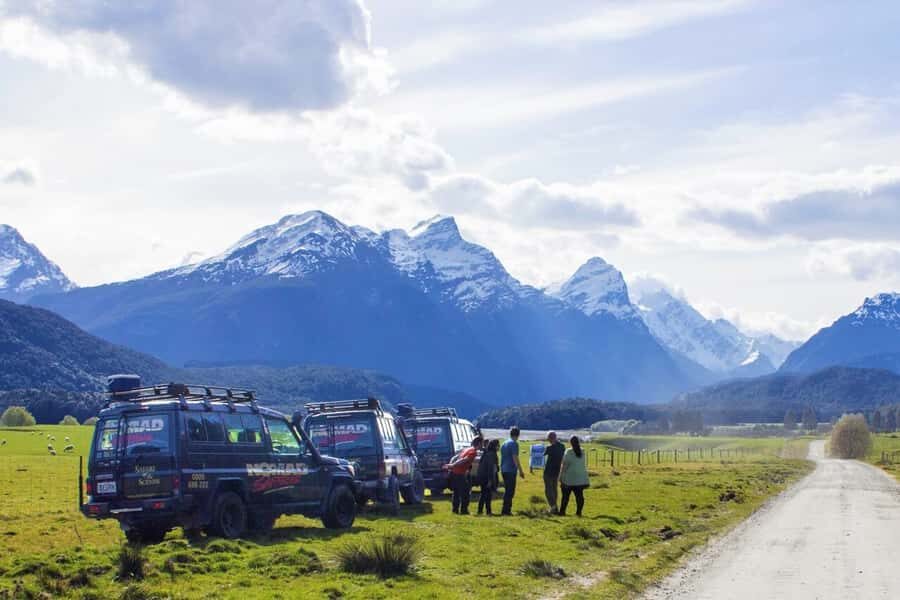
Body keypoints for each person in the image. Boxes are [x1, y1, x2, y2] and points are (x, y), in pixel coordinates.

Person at [443, 436, 482, 514]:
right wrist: (453, 465)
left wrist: (451, 465)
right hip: (459, 473)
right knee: (465, 492)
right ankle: (464, 510)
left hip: (454, 473)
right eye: (482, 443)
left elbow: (456, 457)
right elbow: (463, 460)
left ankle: (455, 510)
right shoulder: (473, 452)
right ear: (479, 443)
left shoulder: (467, 449)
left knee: (456, 492)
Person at [559, 435, 590, 517]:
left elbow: (565, 465)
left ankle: (562, 512)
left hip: (569, 478)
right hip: (580, 479)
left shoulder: (568, 452)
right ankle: (578, 512)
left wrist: (561, 476)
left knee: (565, 496)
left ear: (570, 443)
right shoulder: (583, 451)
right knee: (579, 496)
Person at [500, 427, 525, 516]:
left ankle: (505, 509)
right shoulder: (514, 444)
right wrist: (521, 471)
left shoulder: (504, 443)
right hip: (510, 470)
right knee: (510, 491)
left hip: (503, 469)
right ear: (518, 435)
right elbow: (515, 458)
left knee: (507, 490)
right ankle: (506, 510)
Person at [543, 431, 565, 514]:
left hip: (548, 471)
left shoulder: (549, 448)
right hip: (557, 471)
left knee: (548, 491)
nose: (548, 440)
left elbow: (543, 454)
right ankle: (555, 507)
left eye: (548, 439)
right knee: (554, 489)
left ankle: (553, 506)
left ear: (550, 438)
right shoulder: (562, 446)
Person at [476, 439, 500, 515]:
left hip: (482, 475)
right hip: (486, 477)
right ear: (495, 446)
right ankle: (487, 511)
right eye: (498, 445)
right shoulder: (491, 454)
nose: (498, 447)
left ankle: (482, 510)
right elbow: (491, 468)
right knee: (486, 494)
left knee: (484, 493)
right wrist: (490, 480)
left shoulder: (486, 452)